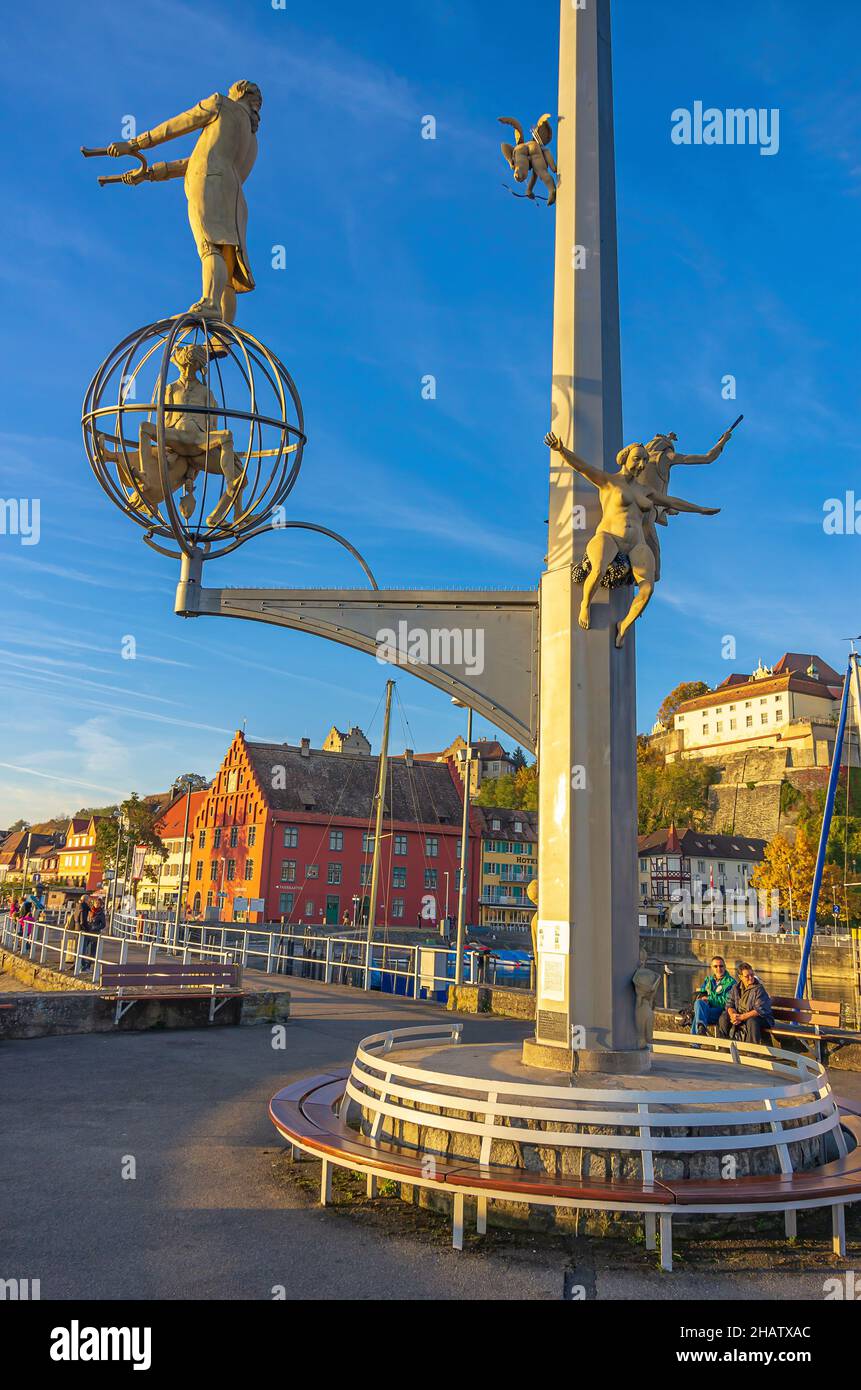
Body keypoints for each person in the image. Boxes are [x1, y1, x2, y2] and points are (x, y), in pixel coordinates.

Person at [718, 962, 774, 1045]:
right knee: (724, 1017)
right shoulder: (735, 988)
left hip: (762, 1018)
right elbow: (729, 1004)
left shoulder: (759, 989)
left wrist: (741, 1017)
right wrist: (733, 1015)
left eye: (752, 974)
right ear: (740, 977)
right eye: (747, 976)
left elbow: (759, 1010)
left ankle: (751, 1051)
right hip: (741, 1016)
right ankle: (724, 1046)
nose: (751, 978)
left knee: (751, 1021)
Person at [691, 956, 736, 1036]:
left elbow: (727, 1001)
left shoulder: (731, 982)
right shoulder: (708, 980)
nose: (719, 968)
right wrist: (701, 997)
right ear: (712, 967)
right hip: (707, 1009)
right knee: (699, 1003)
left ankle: (695, 1042)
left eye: (721, 966)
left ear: (725, 966)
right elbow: (702, 992)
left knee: (699, 1014)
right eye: (716, 966)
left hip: (721, 1011)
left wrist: (709, 999)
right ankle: (701, 1028)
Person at [80, 896, 105, 975]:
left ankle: (88, 967)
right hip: (88, 932)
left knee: (92, 951)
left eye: (98, 904)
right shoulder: (90, 911)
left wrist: (96, 927)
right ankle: (82, 966)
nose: (97, 905)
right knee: (84, 949)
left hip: (95, 934)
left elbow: (103, 924)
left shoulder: (101, 913)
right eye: (95, 903)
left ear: (100, 905)